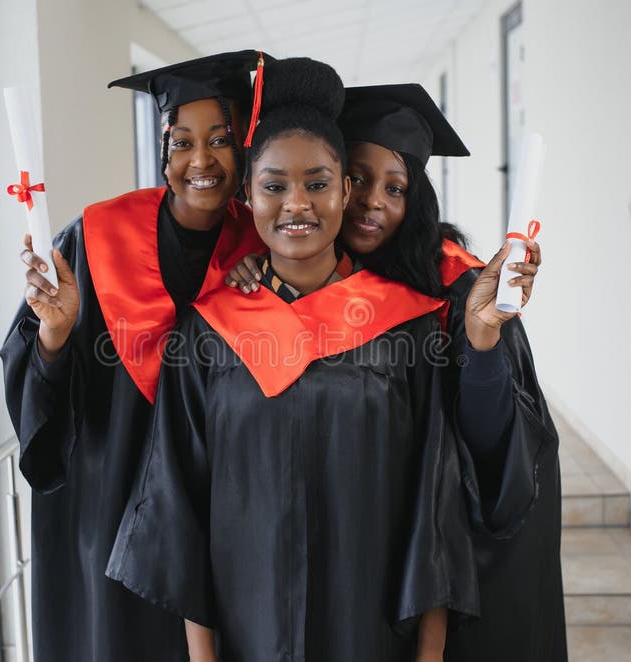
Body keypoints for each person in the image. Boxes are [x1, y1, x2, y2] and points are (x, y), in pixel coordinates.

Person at [107, 58, 479, 662]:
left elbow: (433, 507)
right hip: (248, 634)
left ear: (345, 191)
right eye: (275, 186)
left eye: (318, 183)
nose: (296, 205)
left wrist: (430, 655)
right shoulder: (207, 334)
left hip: (369, 633)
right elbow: (178, 504)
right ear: (248, 195)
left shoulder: (407, 327)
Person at [228, 83, 566, 661]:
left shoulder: (456, 285)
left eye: (395, 187)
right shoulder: (319, 275)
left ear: (417, 200)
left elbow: (493, 440)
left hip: (457, 539)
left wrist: (482, 341)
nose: (371, 202)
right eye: (358, 178)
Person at [0, 50, 269, 662]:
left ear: (246, 148)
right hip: (113, 513)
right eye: (183, 142)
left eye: (221, 140)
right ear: (164, 150)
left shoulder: (266, 245)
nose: (200, 161)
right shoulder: (93, 237)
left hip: (225, 519)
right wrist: (55, 334)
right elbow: (38, 395)